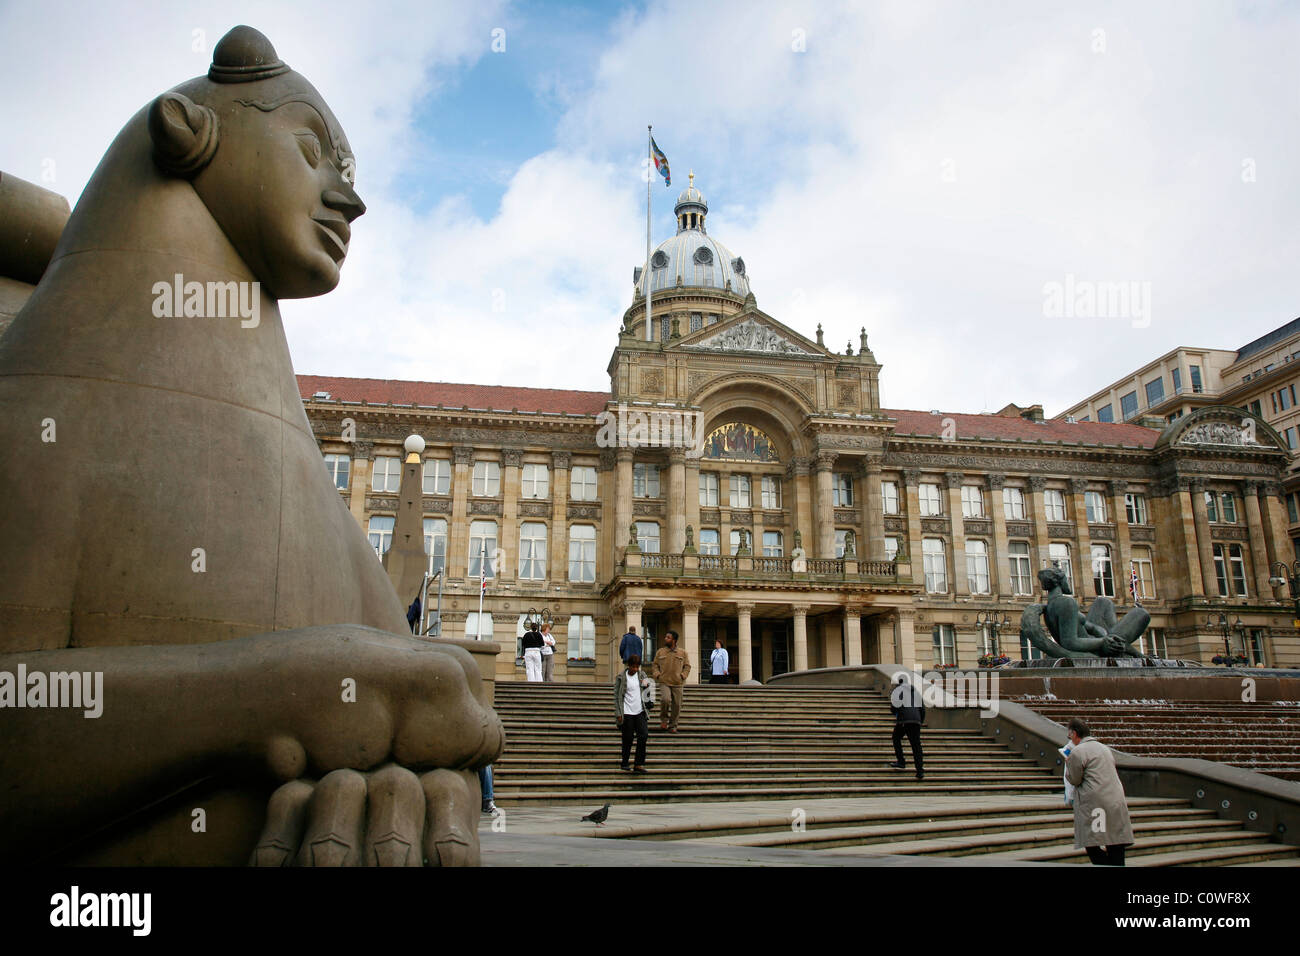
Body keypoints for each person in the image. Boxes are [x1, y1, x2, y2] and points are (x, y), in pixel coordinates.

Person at [1065, 717, 1134, 865]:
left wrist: (1068, 764)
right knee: (1115, 842)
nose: (1069, 739)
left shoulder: (1077, 752)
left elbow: (1075, 779)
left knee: (1092, 842)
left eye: (1069, 735)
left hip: (1096, 805)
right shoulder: (1104, 748)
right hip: (1115, 801)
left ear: (1075, 734)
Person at [614, 653, 651, 773]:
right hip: (627, 711)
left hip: (639, 711)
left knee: (643, 735)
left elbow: (647, 689)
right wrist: (619, 713)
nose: (635, 669)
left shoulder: (642, 675)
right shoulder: (621, 677)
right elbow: (617, 697)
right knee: (628, 738)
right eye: (633, 667)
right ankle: (625, 762)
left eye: (637, 667)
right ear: (629, 665)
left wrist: (649, 697)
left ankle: (639, 763)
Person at [649, 629, 691, 732]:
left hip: (678, 683)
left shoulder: (683, 652)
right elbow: (655, 665)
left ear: (674, 640)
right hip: (664, 682)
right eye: (666, 637)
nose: (665, 639)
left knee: (677, 705)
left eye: (668, 637)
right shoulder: (660, 652)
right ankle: (664, 720)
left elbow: (687, 666)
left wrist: (683, 676)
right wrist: (657, 675)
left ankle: (673, 725)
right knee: (665, 700)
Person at [888, 673, 925, 780]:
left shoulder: (898, 690)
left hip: (904, 720)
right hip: (916, 721)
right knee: (916, 746)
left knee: (896, 738)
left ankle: (901, 761)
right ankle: (920, 771)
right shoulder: (916, 692)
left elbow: (894, 705)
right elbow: (922, 708)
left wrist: (895, 713)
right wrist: (920, 721)